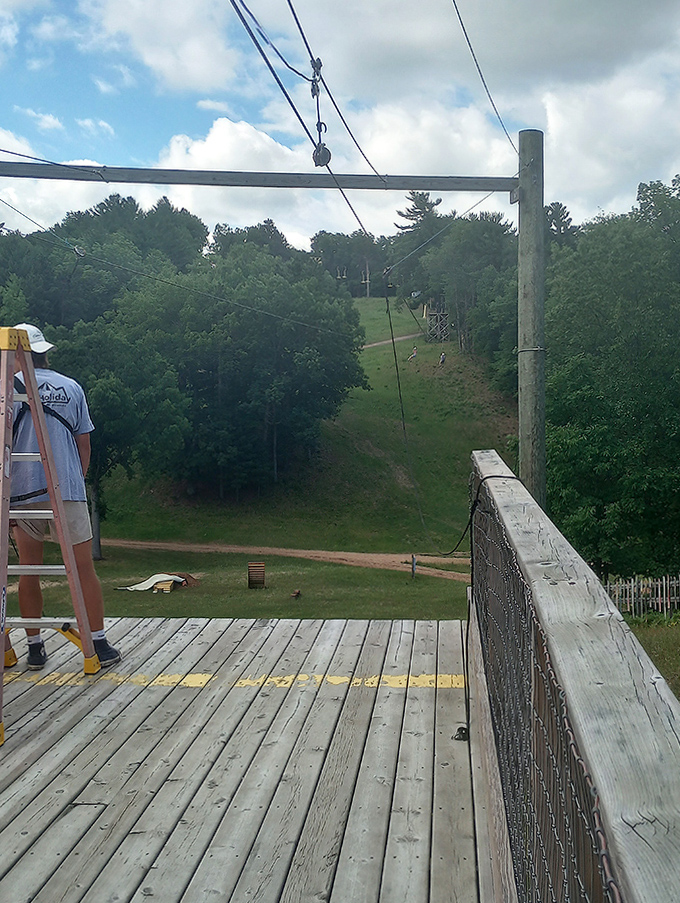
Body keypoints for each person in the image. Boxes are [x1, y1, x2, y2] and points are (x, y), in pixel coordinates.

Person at [10, 323, 121, 669]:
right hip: (65, 489)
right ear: (45, 352)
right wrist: (75, 480)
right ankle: (99, 643)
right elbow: (83, 443)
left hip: (21, 491)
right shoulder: (71, 387)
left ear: (16, 353)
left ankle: (34, 646)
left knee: (28, 570)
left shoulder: (5, 389)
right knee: (83, 568)